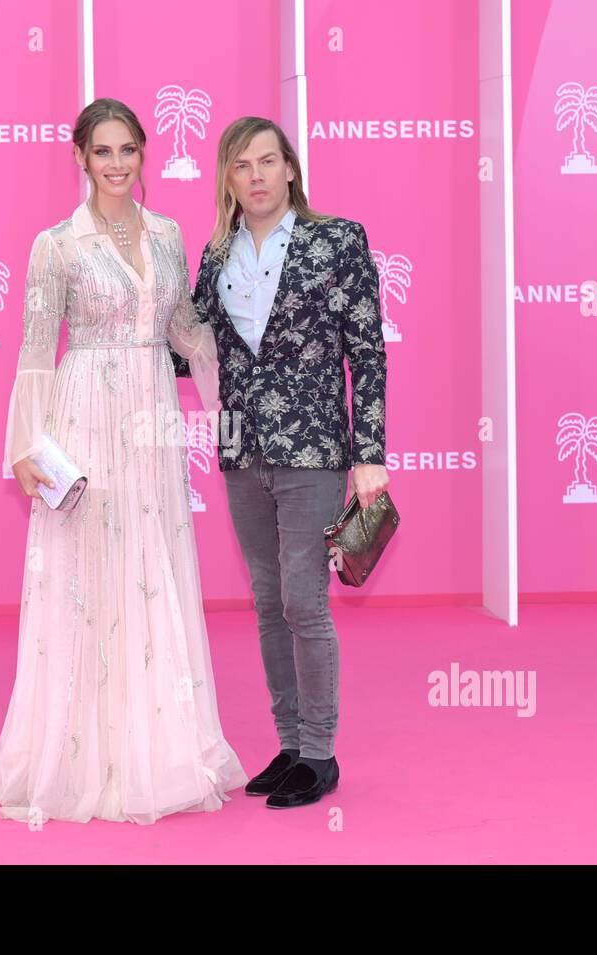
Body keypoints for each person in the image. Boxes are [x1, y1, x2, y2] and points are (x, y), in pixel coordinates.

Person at [0, 98, 247, 825]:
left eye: (128, 149)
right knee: (87, 576)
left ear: (142, 153)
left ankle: (157, 747)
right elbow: (37, 349)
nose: (117, 163)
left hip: (151, 418)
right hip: (83, 418)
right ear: (79, 156)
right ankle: (79, 755)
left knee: (150, 570)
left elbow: (189, 332)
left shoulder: (167, 235)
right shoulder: (56, 246)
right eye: (103, 151)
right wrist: (27, 448)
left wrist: (242, 402)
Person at [192, 117, 389, 809]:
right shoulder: (216, 255)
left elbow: (366, 352)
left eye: (268, 161)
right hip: (243, 450)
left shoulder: (337, 240)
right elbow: (192, 347)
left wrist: (369, 456)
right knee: (270, 604)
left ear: (290, 170)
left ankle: (320, 752)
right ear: (228, 178)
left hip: (314, 451)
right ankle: (286, 743)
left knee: (305, 602)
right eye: (242, 165)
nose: (257, 175)